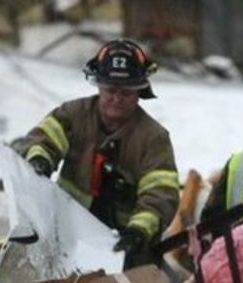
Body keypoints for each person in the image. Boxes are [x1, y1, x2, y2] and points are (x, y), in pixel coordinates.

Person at [19, 39, 180, 267]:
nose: (116, 98)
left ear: (139, 91)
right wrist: (39, 160)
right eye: (110, 90)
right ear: (98, 86)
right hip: (67, 234)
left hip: (124, 248)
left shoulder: (154, 138)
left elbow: (161, 193)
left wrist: (139, 231)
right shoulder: (73, 114)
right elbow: (43, 139)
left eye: (125, 92)